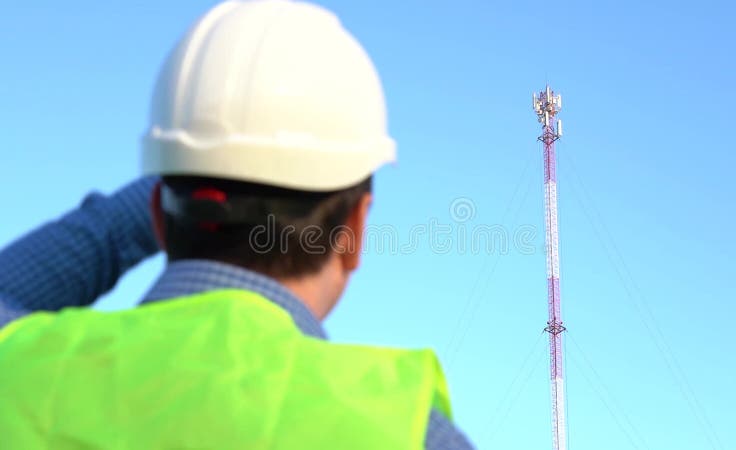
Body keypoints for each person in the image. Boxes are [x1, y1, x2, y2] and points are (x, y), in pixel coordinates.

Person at [0, 1, 475, 449]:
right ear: (354, 230)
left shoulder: (20, 368)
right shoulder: (405, 430)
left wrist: (187, 173)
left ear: (157, 215)